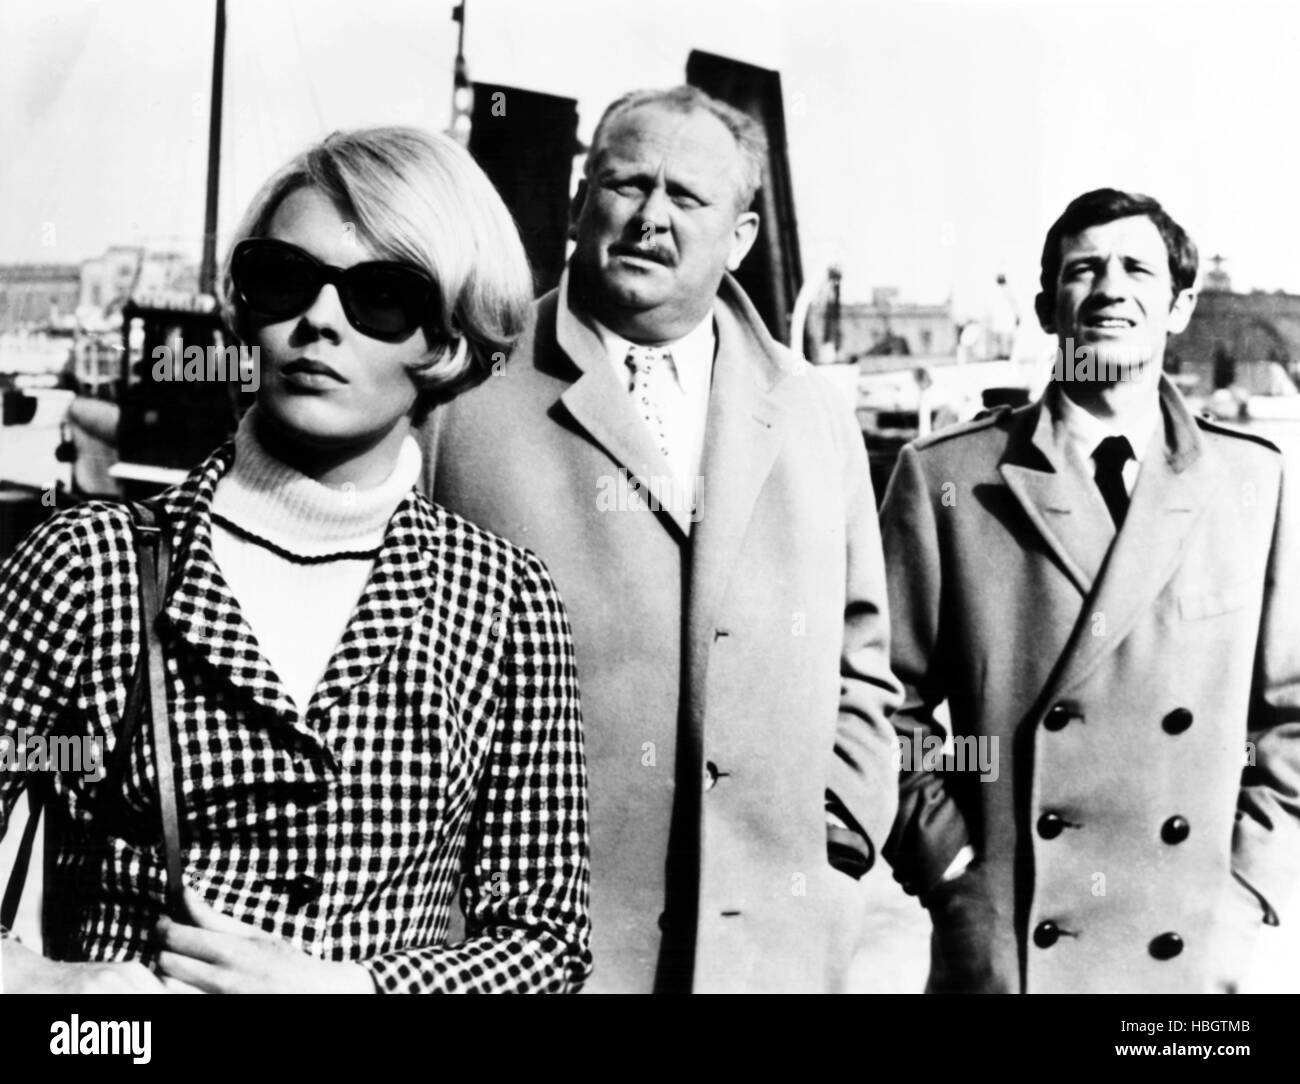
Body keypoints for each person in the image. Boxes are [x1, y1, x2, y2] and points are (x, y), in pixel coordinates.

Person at [0, 126, 591, 994]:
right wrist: (65, 993)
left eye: (380, 296)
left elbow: (544, 939)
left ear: (449, 344)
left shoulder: (504, 601)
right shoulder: (88, 568)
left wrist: (347, 993)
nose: (319, 320)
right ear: (246, 309)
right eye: (284, 281)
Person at [418, 86, 901, 993]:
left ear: (744, 237)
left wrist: (841, 825)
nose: (651, 219)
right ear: (575, 204)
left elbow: (864, 658)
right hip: (524, 945)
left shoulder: (812, 414)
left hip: (767, 943)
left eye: (687, 198)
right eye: (625, 185)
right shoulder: (460, 395)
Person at [880, 187, 1300, 993]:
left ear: (1179, 306)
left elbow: (1292, 719)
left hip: (1188, 961)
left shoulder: (1256, 482)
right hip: (1011, 944)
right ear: (1047, 308)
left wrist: (1247, 892)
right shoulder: (949, 479)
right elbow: (873, 702)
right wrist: (952, 868)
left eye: (1138, 268)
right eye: (1085, 270)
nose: (1111, 289)